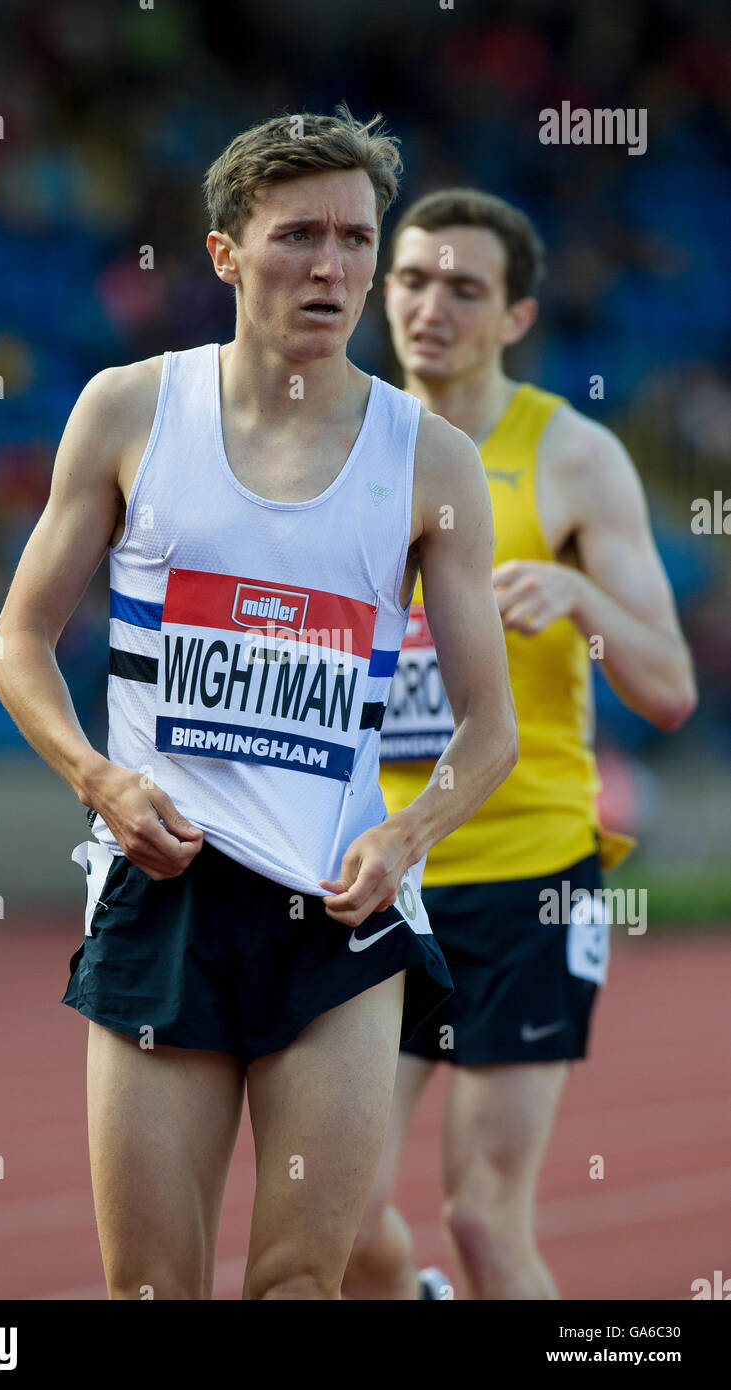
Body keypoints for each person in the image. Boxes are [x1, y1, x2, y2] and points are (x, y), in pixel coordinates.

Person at [0, 119, 517, 1301]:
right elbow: (17, 642)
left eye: (354, 240)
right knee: (150, 1290)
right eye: (298, 238)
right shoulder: (130, 412)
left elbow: (490, 728)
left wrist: (406, 832)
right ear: (226, 255)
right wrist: (100, 780)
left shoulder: (428, 461)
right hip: (164, 899)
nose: (330, 268)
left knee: (293, 1288)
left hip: (338, 913)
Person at [342, 188, 698, 1301]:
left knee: (482, 1218)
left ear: (516, 316)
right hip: (377, 873)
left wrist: (578, 591)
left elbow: (673, 688)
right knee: (341, 1218)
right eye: (409, 279)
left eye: (463, 288)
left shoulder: (570, 455)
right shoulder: (338, 442)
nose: (428, 306)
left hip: (528, 876)